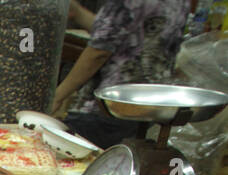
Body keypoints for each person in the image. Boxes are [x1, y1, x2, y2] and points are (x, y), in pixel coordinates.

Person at [51, 0, 195, 148]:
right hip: (148, 104)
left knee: (73, 161)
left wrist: (58, 95)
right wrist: (79, 14)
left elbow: (99, 51)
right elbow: (121, 31)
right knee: (117, 163)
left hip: (107, 106)